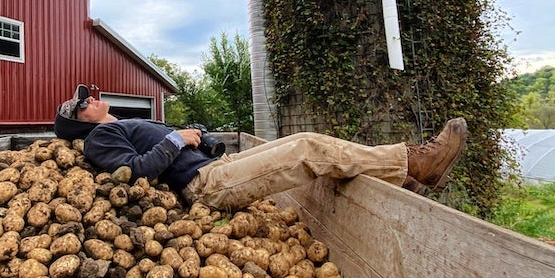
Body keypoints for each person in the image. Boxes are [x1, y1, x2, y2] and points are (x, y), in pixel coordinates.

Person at [54, 85, 468, 211]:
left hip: (215, 166)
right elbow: (138, 172)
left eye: (88, 96)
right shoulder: (99, 138)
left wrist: (193, 137)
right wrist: (176, 138)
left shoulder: (118, 124)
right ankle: (415, 161)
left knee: (297, 141)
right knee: (306, 147)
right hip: (204, 185)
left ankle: (404, 174)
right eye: (83, 103)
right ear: (77, 120)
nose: (91, 99)